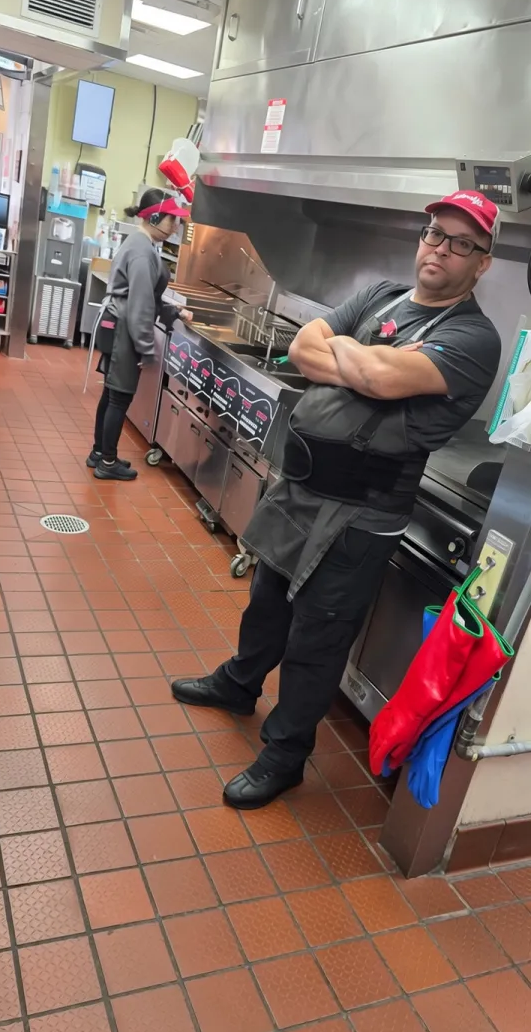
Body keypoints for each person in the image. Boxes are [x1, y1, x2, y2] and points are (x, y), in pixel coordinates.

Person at [173, 190, 503, 809]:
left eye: (463, 243)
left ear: (482, 262)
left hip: (362, 513)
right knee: (266, 599)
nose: (441, 250)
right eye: (436, 234)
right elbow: (304, 348)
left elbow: (377, 375)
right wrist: (367, 362)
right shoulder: (381, 295)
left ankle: (284, 754)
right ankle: (240, 683)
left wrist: (356, 359)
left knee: (317, 639)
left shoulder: (473, 337)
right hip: (302, 490)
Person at [87, 188, 193, 481]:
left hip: (117, 323)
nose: (176, 227)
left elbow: (146, 296)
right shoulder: (143, 251)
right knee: (119, 397)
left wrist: (174, 311)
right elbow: (141, 305)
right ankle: (107, 462)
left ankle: (99, 452)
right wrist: (146, 347)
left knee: (111, 394)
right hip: (125, 328)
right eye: (173, 220)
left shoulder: (138, 243)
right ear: (156, 217)